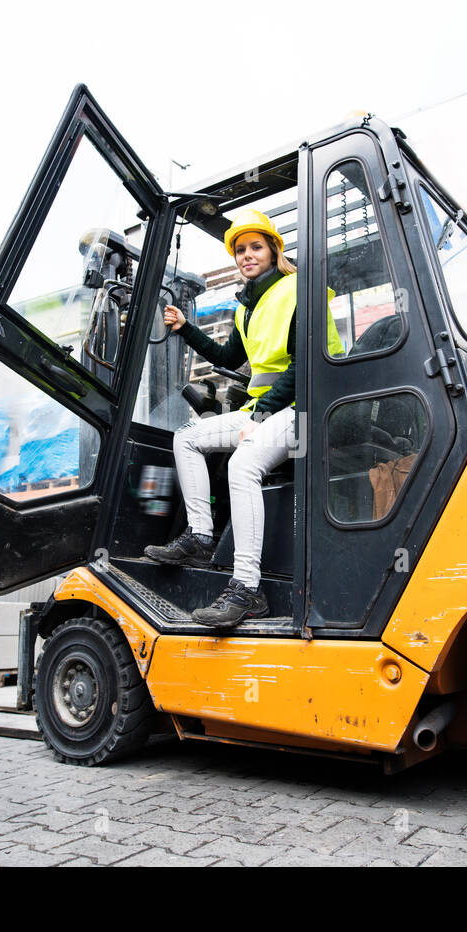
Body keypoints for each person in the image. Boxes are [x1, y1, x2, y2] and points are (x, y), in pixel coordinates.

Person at [144, 209, 306, 627]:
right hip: (265, 410)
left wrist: (265, 412)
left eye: (255, 247)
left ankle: (247, 590)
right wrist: (184, 328)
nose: (246, 256)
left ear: (273, 250)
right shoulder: (247, 307)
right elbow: (227, 357)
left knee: (243, 463)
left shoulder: (295, 290)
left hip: (308, 409)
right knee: (187, 437)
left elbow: (305, 364)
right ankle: (200, 535)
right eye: (239, 250)